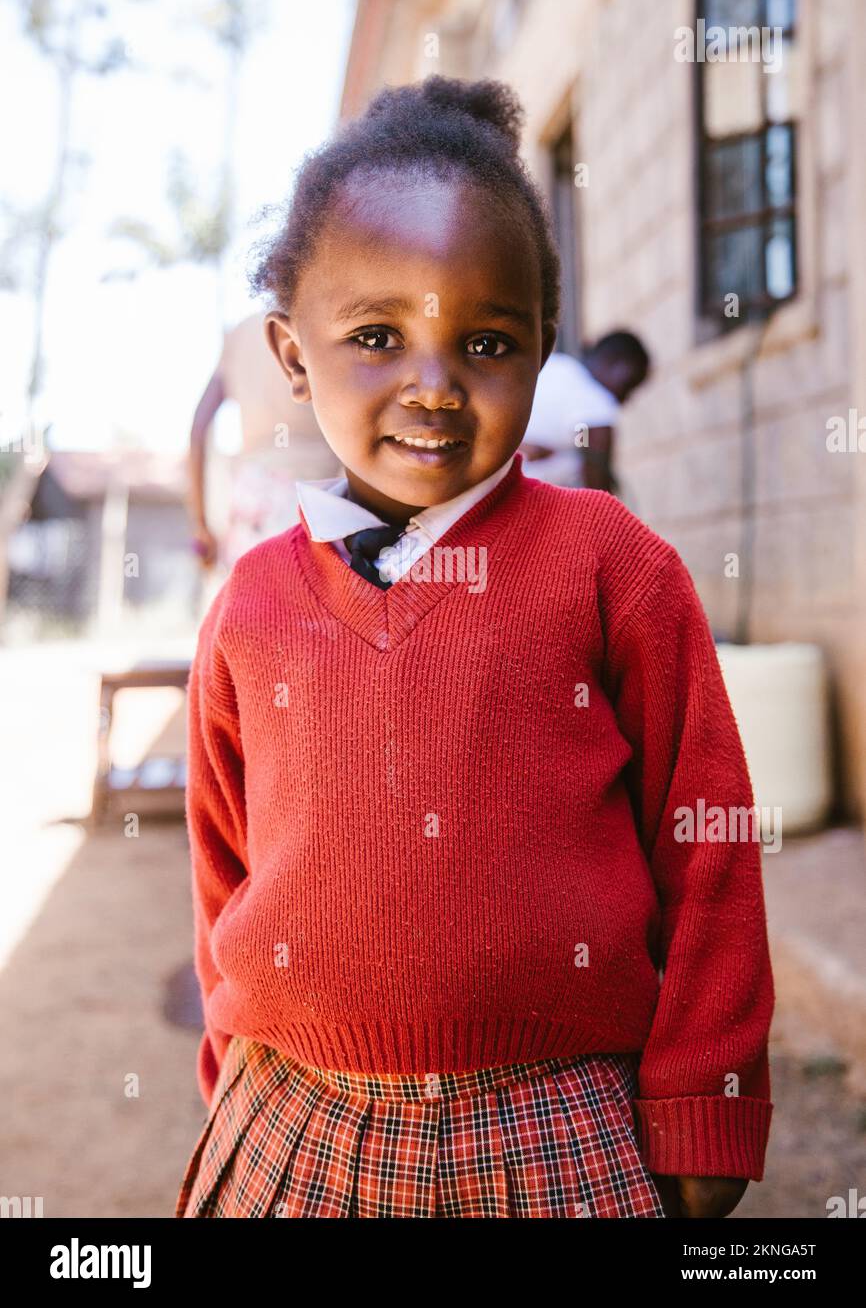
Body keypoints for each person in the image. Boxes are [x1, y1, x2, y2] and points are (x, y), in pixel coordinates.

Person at [175, 75, 774, 1220]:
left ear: (542, 348)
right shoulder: (250, 605)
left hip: (559, 1119)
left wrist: (710, 1098)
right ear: (292, 357)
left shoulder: (611, 565)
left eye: (487, 340)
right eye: (374, 336)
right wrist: (228, 1072)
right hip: (293, 1119)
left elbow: (705, 845)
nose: (433, 386)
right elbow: (220, 865)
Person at [187, 309, 341, 573]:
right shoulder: (327, 322)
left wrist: (202, 527)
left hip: (253, 501)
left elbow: (199, 428)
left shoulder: (242, 332)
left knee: (254, 609)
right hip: (321, 501)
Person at [520, 333, 650, 492]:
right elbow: (596, 479)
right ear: (612, 362)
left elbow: (582, 438)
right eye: (628, 385)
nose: (625, 399)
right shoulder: (595, 401)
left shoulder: (558, 365)